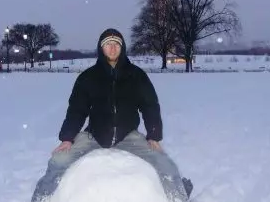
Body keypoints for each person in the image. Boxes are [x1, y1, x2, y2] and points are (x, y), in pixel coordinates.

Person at [31, 28, 190, 202]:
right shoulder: (88, 77)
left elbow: (150, 105)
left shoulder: (136, 76)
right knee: (58, 161)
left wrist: (153, 135)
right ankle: (42, 198)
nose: (112, 48)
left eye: (116, 44)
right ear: (101, 48)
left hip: (128, 136)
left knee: (165, 164)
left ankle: (178, 197)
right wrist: (68, 137)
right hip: (94, 136)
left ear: (122, 48)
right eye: (108, 44)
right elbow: (77, 110)